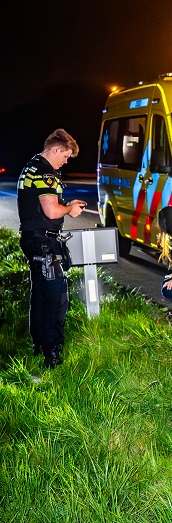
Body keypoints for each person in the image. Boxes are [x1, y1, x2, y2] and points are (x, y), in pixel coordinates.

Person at [16, 129, 88, 368]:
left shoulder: (31, 167)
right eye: (66, 156)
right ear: (56, 149)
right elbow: (51, 210)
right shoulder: (46, 173)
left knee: (40, 295)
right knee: (55, 298)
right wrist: (69, 209)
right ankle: (52, 355)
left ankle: (38, 344)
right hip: (44, 243)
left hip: (32, 239)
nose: (66, 161)